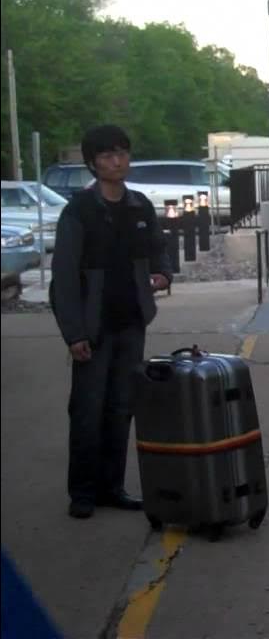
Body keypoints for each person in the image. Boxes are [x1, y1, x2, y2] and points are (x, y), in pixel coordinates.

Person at [51, 125, 171, 519]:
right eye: (106, 156)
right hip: (93, 328)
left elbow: (158, 250)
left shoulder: (139, 206)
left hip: (131, 323)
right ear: (92, 163)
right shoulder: (79, 212)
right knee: (87, 410)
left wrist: (162, 274)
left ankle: (112, 487)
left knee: (121, 407)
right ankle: (83, 493)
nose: (116, 161)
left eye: (121, 153)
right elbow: (64, 278)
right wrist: (74, 333)